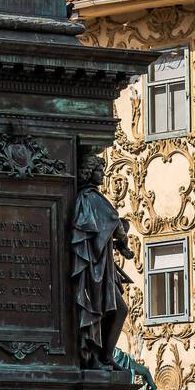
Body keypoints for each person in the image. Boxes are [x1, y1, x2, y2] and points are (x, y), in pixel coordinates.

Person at [71, 153, 134, 367]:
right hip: (95, 267)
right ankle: (99, 356)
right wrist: (124, 245)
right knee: (112, 309)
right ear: (89, 173)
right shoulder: (90, 198)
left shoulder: (88, 197)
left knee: (113, 309)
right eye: (99, 170)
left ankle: (103, 356)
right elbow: (114, 221)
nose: (103, 175)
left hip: (99, 264)